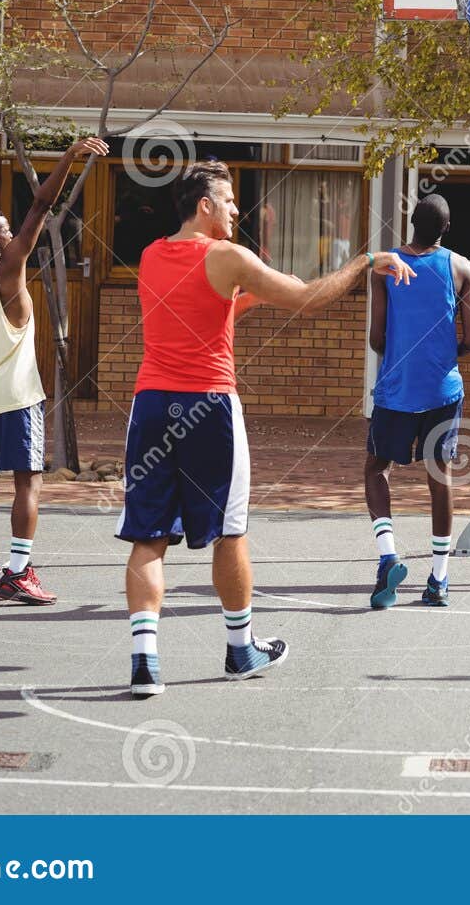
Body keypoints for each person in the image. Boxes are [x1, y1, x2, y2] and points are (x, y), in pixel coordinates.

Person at [117, 160, 412, 698]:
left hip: (152, 404)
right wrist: (367, 261)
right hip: (209, 405)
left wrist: (239, 300)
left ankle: (144, 662)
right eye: (228, 200)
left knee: (148, 535)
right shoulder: (228, 257)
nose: (236, 208)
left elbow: (196, 315)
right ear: (204, 205)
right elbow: (305, 298)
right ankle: (240, 649)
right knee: (230, 532)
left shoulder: (151, 255)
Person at [0, 137, 110, 605]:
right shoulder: (10, 265)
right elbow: (41, 204)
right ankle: (17, 571)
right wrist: (71, 157)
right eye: (7, 229)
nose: (15, 233)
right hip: (19, 399)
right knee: (27, 484)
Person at [364, 194, 470, 609]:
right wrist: (442, 356)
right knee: (440, 476)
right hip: (441, 389)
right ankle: (440, 580)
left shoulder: (386, 266)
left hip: (397, 387)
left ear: (410, 222)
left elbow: (376, 338)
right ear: (446, 230)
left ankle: (389, 554)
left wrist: (401, 353)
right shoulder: (462, 267)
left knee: (377, 469)